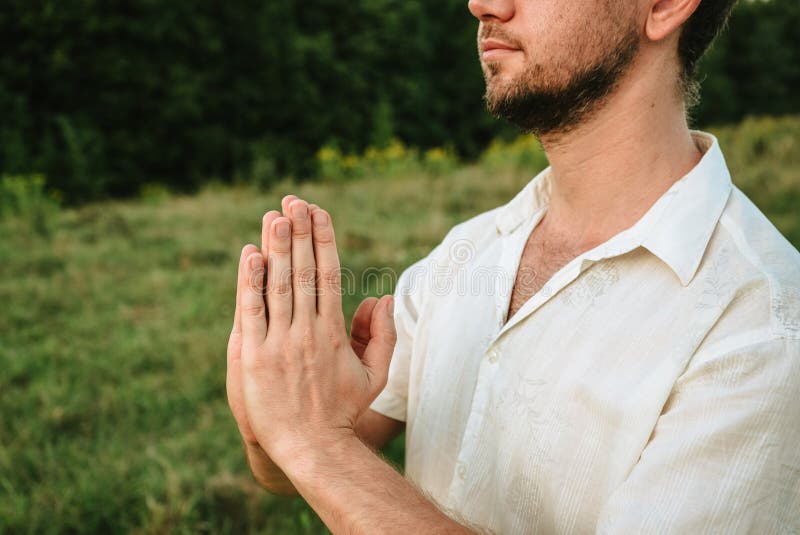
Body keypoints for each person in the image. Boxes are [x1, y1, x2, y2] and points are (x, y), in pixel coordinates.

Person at [226, 0, 800, 532]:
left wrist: (317, 445)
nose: (482, 3)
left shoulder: (763, 326)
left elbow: (323, 453)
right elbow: (287, 471)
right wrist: (273, 414)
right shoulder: (467, 250)